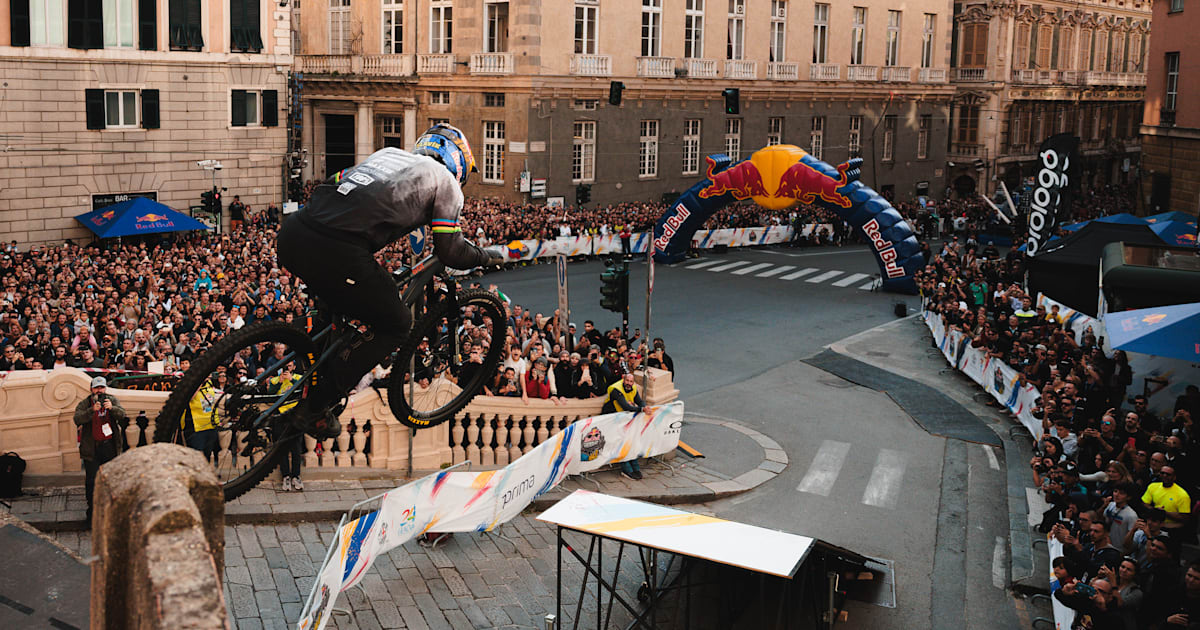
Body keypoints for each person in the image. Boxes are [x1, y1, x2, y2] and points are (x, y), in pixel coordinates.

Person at [276, 124, 511, 439]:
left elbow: (331, 183)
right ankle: (316, 407)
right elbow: (451, 251)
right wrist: (486, 255)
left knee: (337, 307)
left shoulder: (388, 155)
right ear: (458, 163)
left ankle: (313, 371)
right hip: (339, 249)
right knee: (397, 323)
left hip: (294, 232)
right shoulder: (446, 184)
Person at [73, 376, 128, 522]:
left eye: (102, 387)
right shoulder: (85, 403)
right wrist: (92, 411)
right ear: (91, 389)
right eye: (97, 388)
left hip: (109, 445)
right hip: (92, 448)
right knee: (92, 481)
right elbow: (77, 419)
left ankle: (112, 510)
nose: (99, 390)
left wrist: (113, 409)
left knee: (111, 479)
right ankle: (92, 512)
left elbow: (123, 415)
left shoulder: (111, 400)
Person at [602, 371, 646, 480]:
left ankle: (635, 468)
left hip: (623, 420)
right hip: (611, 420)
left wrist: (645, 407)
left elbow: (639, 401)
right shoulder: (616, 389)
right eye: (627, 380)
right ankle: (627, 470)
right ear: (623, 380)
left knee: (629, 443)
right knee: (620, 444)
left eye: (631, 381)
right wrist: (642, 409)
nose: (629, 383)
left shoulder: (633, 388)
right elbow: (625, 406)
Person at [269, 364, 306, 491]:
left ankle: (296, 475)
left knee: (296, 449)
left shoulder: (299, 377)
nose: (286, 370)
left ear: (293, 367)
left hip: (295, 416)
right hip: (280, 417)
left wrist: (291, 380)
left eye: (289, 367)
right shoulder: (274, 380)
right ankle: (286, 476)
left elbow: (304, 389)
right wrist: (279, 382)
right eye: (285, 368)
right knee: (282, 448)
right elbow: (270, 393)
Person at [183, 374, 222, 464]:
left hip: (210, 425)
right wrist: (198, 382)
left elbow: (211, 404)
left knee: (207, 456)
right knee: (196, 457)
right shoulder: (191, 383)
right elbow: (188, 397)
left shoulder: (209, 383)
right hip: (196, 427)